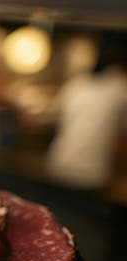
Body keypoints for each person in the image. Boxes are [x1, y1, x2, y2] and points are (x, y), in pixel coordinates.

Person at [47, 38, 127, 190]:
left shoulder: (77, 83)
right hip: (93, 174)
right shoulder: (122, 88)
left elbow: (57, 119)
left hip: (59, 163)